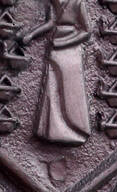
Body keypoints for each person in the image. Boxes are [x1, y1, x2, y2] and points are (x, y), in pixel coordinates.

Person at [22, 0, 92, 146]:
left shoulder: (78, 4)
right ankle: (51, 130)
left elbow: (86, 31)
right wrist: (31, 34)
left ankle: (76, 129)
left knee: (71, 87)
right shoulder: (53, 2)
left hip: (70, 49)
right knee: (52, 87)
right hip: (55, 47)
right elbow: (50, 23)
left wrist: (63, 43)